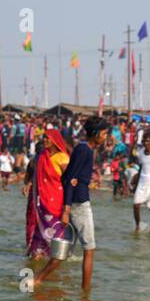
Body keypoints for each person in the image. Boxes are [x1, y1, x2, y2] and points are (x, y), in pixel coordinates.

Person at [33, 116, 109, 290]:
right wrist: (66, 209)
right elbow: (70, 179)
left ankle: (36, 280)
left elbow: (68, 178)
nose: (106, 137)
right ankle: (86, 294)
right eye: (104, 133)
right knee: (89, 250)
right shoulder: (84, 150)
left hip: (74, 205)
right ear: (96, 134)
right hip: (79, 206)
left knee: (63, 252)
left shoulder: (84, 149)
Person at [24, 128, 69, 261]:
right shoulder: (41, 156)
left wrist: (68, 206)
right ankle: (35, 263)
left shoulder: (62, 158)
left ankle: (53, 265)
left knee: (54, 239)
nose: (45, 140)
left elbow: (69, 181)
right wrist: (29, 185)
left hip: (55, 204)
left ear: (55, 141)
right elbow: (36, 177)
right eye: (44, 137)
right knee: (38, 241)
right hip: (41, 203)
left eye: (48, 138)